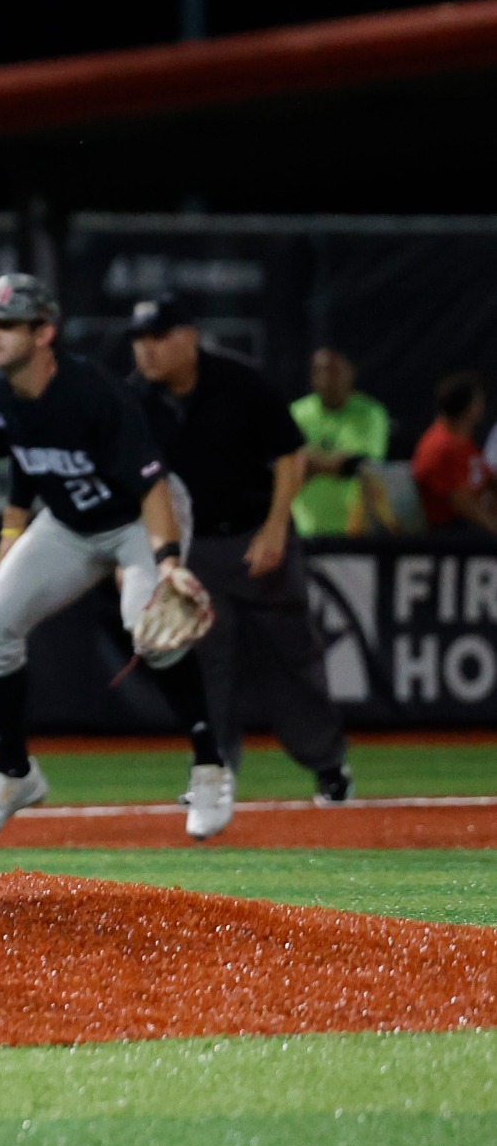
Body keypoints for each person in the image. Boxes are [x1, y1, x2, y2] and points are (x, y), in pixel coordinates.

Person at [0, 273, 234, 845]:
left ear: (44, 333)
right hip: (70, 523)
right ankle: (14, 775)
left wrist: (170, 559)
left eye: (7, 325)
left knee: (151, 631)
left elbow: (152, 485)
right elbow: (22, 466)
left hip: (140, 516)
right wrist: (12, 530)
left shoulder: (93, 393)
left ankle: (210, 767)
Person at [128, 298, 352, 805]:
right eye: (140, 340)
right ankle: (214, 771)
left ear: (189, 336)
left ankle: (328, 765)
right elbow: (135, 484)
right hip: (191, 550)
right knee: (207, 665)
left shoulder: (240, 382)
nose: (147, 350)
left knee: (291, 658)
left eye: (158, 337)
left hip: (255, 537)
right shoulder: (136, 397)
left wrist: (274, 529)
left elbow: (291, 456)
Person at [289, 348, 390, 537]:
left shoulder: (371, 413)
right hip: (305, 533)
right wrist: (332, 463)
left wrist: (310, 463)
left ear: (351, 372)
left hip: (355, 533)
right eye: (319, 370)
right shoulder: (296, 413)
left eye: (333, 370)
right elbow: (286, 467)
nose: (326, 377)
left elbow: (358, 464)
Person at [410, 372, 496, 534]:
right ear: (470, 407)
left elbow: (487, 479)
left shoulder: (462, 441)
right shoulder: (442, 446)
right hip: (452, 533)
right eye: (479, 401)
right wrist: (493, 526)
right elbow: (461, 501)